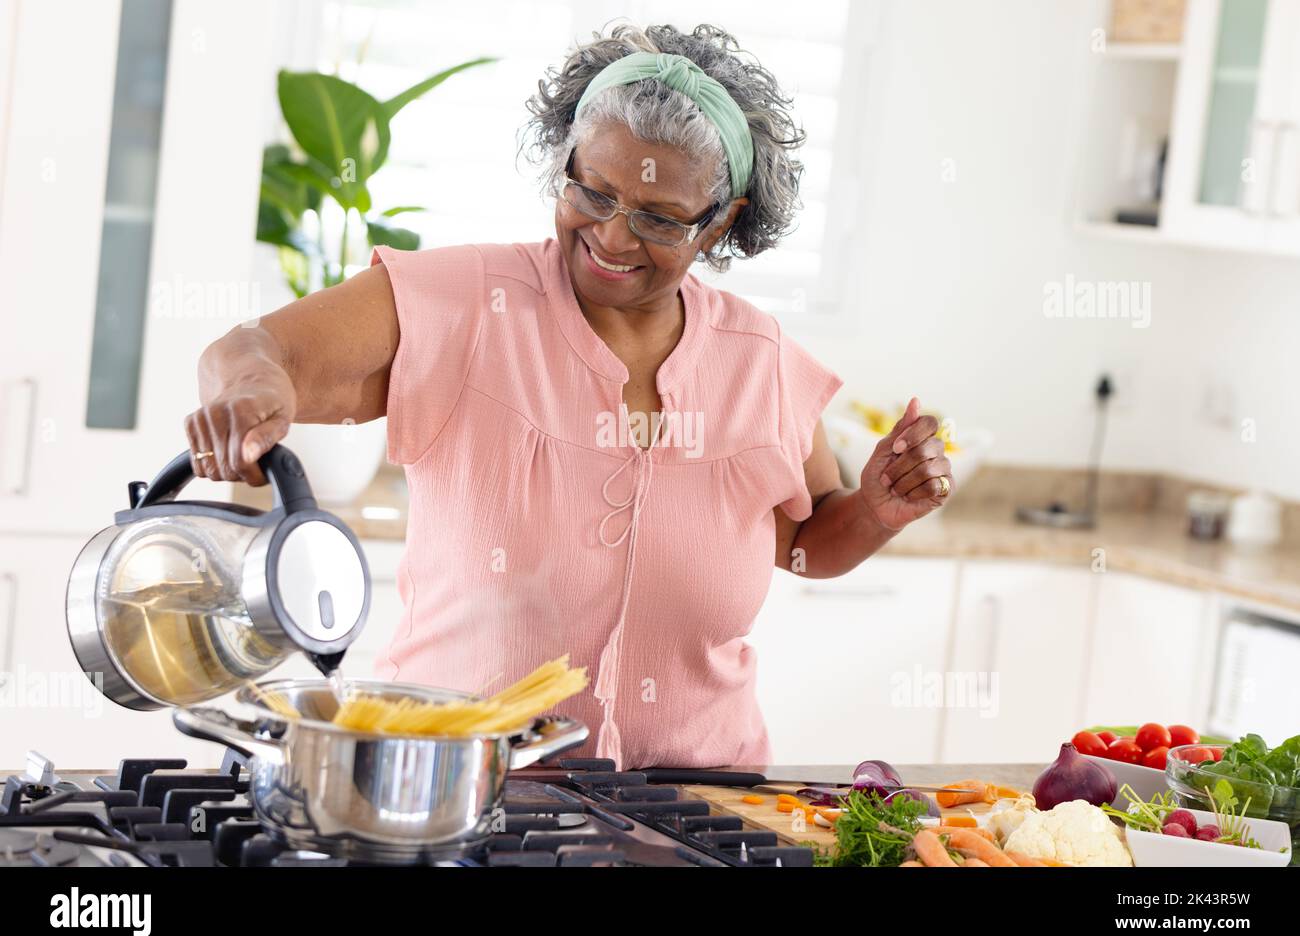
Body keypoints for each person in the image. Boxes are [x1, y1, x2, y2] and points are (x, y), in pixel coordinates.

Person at [186, 23, 953, 769]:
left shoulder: (764, 362)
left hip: (703, 810)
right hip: (458, 788)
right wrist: (252, 388)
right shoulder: (466, 301)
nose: (614, 238)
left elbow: (808, 542)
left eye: (658, 217)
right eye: (592, 191)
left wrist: (879, 510)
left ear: (722, 222)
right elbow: (257, 348)